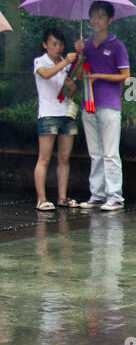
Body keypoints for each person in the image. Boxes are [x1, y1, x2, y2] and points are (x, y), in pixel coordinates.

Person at [74, 1, 130, 211]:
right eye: (93, 16)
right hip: (88, 104)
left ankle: (115, 196)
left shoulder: (117, 45)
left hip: (109, 103)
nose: (96, 20)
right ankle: (97, 194)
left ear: (109, 20)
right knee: (95, 151)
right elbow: (79, 75)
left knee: (110, 152)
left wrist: (99, 76)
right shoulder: (85, 44)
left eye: (100, 16)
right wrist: (78, 54)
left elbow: (125, 75)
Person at [33, 26, 80, 211]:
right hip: (48, 113)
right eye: (54, 44)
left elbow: (70, 91)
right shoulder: (40, 61)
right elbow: (45, 74)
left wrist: (71, 87)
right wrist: (64, 62)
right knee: (44, 158)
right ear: (45, 45)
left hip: (66, 112)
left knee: (64, 158)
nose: (58, 48)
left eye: (61, 44)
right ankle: (41, 198)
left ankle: (62, 197)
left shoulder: (66, 63)